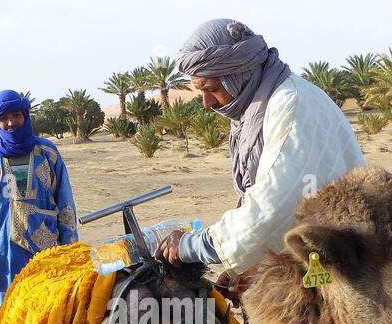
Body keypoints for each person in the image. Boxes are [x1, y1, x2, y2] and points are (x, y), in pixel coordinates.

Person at [156, 18, 364, 284]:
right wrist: (248, 269)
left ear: (238, 76)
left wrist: (192, 246)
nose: (207, 103)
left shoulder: (289, 104)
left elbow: (274, 207)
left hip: (344, 269)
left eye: (211, 89)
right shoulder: (265, 105)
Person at [0, 90, 78, 310]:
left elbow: (65, 203)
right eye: (4, 118)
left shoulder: (48, 152)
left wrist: (70, 250)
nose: (11, 123)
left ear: (25, 116)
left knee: (50, 315)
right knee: (11, 319)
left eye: (16, 115)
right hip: (4, 255)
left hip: (47, 249)